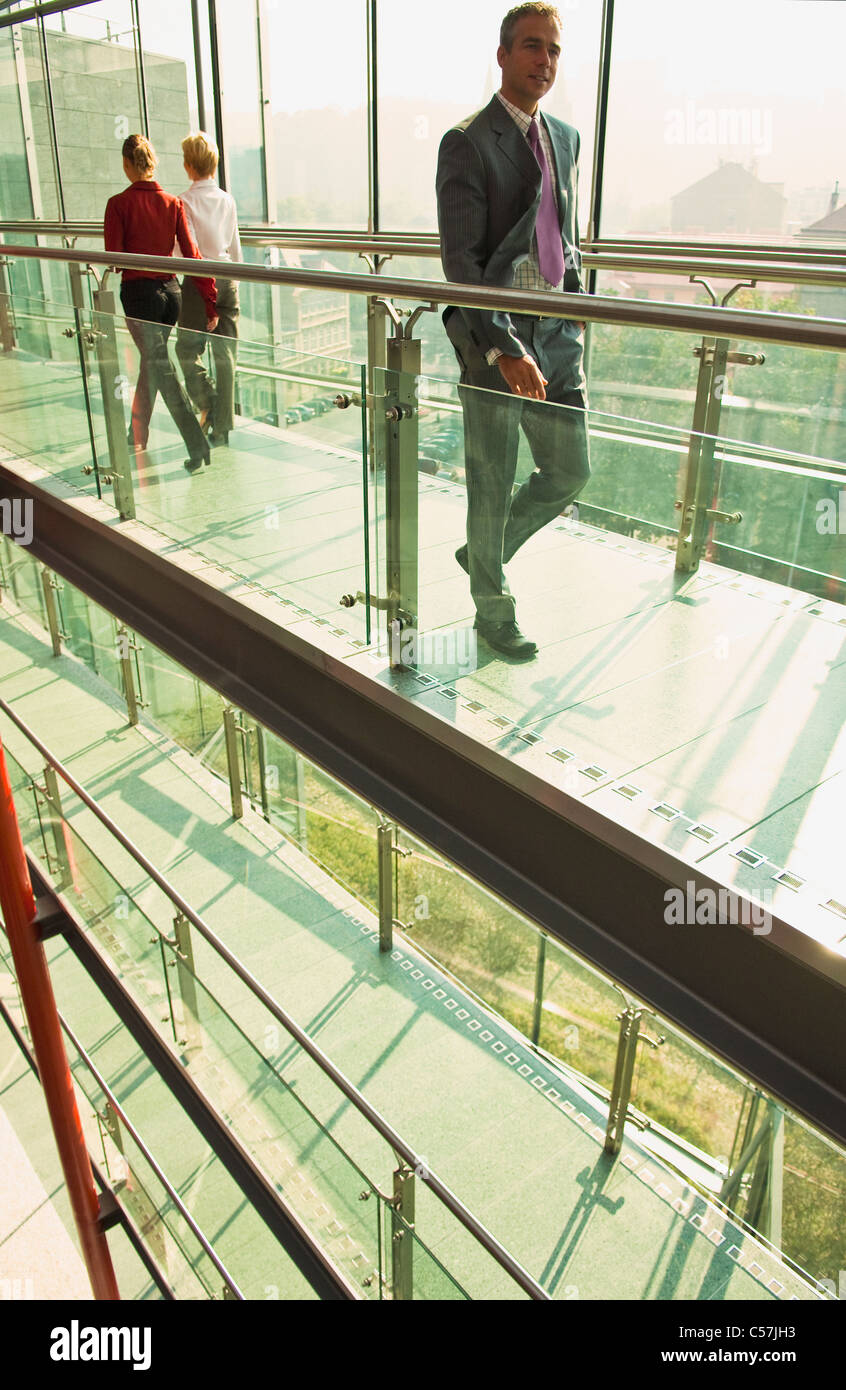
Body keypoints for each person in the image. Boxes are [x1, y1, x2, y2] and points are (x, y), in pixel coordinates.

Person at [436, 2, 591, 659]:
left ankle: (484, 553)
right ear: (502, 55)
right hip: (495, 338)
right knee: (491, 479)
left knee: (569, 472)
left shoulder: (567, 137)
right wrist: (502, 346)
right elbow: (462, 263)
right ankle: (493, 612)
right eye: (531, 47)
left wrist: (579, 310)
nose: (544, 61)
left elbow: (565, 237)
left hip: (558, 335)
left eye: (553, 50)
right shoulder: (468, 141)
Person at [104, 133, 217, 473]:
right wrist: (210, 300)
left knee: (161, 369)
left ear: (127, 165)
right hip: (172, 296)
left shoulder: (118, 204)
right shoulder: (172, 203)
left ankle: (198, 446)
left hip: (141, 298)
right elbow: (193, 256)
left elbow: (115, 257)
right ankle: (136, 434)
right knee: (152, 365)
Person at [175, 132, 242, 448]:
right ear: (214, 165)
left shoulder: (184, 202)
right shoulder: (227, 199)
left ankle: (209, 400)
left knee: (187, 351)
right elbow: (235, 245)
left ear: (189, 167)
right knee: (226, 354)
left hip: (197, 281)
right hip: (228, 276)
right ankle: (223, 427)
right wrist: (234, 281)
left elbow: (184, 250)